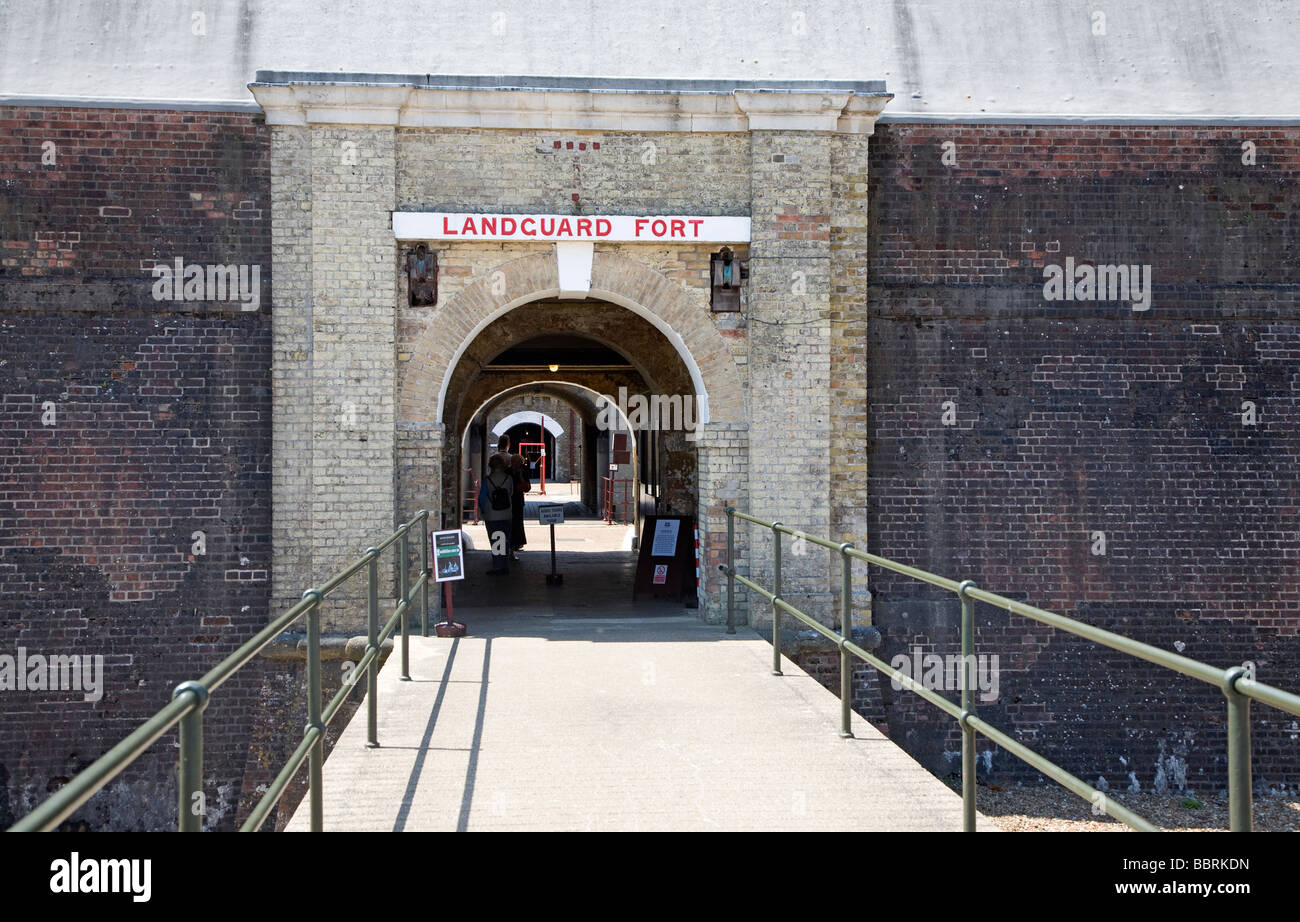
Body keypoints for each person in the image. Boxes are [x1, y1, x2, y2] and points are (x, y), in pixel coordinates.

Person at [478, 451, 514, 574]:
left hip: (491, 514)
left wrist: (482, 510)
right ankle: (504, 565)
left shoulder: (487, 480)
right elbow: (511, 493)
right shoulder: (508, 479)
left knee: (495, 540)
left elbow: (482, 497)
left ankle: (497, 566)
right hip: (506, 513)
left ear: (491, 466)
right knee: (505, 540)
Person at [497, 435, 531, 560]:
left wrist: (521, 477)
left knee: (516, 525)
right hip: (508, 502)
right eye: (516, 462)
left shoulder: (521, 472)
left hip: (517, 502)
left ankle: (511, 550)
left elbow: (527, 487)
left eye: (519, 463)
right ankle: (505, 551)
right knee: (507, 525)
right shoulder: (508, 472)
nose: (518, 465)